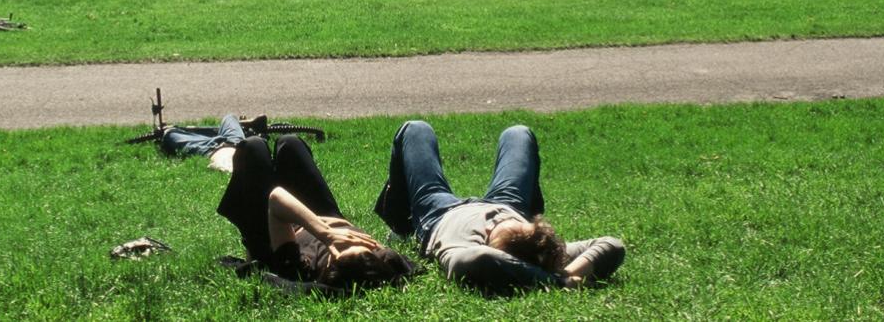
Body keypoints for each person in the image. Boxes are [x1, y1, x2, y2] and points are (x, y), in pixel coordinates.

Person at [374, 120, 625, 294]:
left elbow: (481, 258)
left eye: (496, 230)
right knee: (518, 133)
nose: (494, 222)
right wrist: (568, 275)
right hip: (508, 203)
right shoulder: (549, 255)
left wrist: (552, 283)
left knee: (414, 129)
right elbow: (613, 245)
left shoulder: (463, 251)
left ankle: (401, 226)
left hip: (438, 213)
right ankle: (516, 219)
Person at [217, 135, 416, 293]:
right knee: (290, 144)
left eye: (343, 248)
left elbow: (276, 199)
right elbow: (409, 270)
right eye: (362, 248)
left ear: (331, 263)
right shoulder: (382, 262)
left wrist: (327, 235)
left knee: (253, 147)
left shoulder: (302, 271)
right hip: (326, 213)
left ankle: (249, 235)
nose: (350, 242)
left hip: (277, 224)